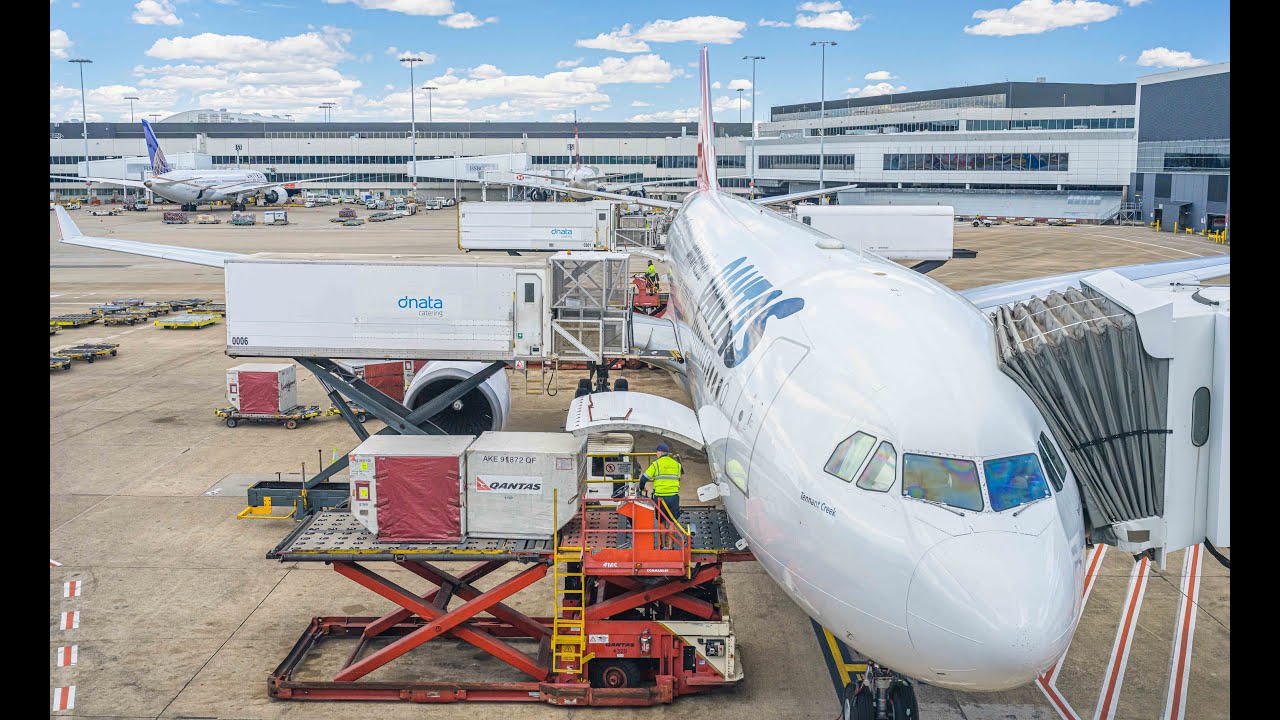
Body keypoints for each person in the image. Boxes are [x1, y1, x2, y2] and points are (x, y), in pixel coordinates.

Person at [640, 442, 682, 523]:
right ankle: (670, 536)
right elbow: (678, 478)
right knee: (672, 521)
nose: (656, 454)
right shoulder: (677, 465)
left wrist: (642, 488)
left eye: (657, 452)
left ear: (661, 452)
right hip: (673, 496)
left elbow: (643, 479)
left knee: (661, 521)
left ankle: (662, 536)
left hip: (660, 497)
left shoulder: (656, 464)